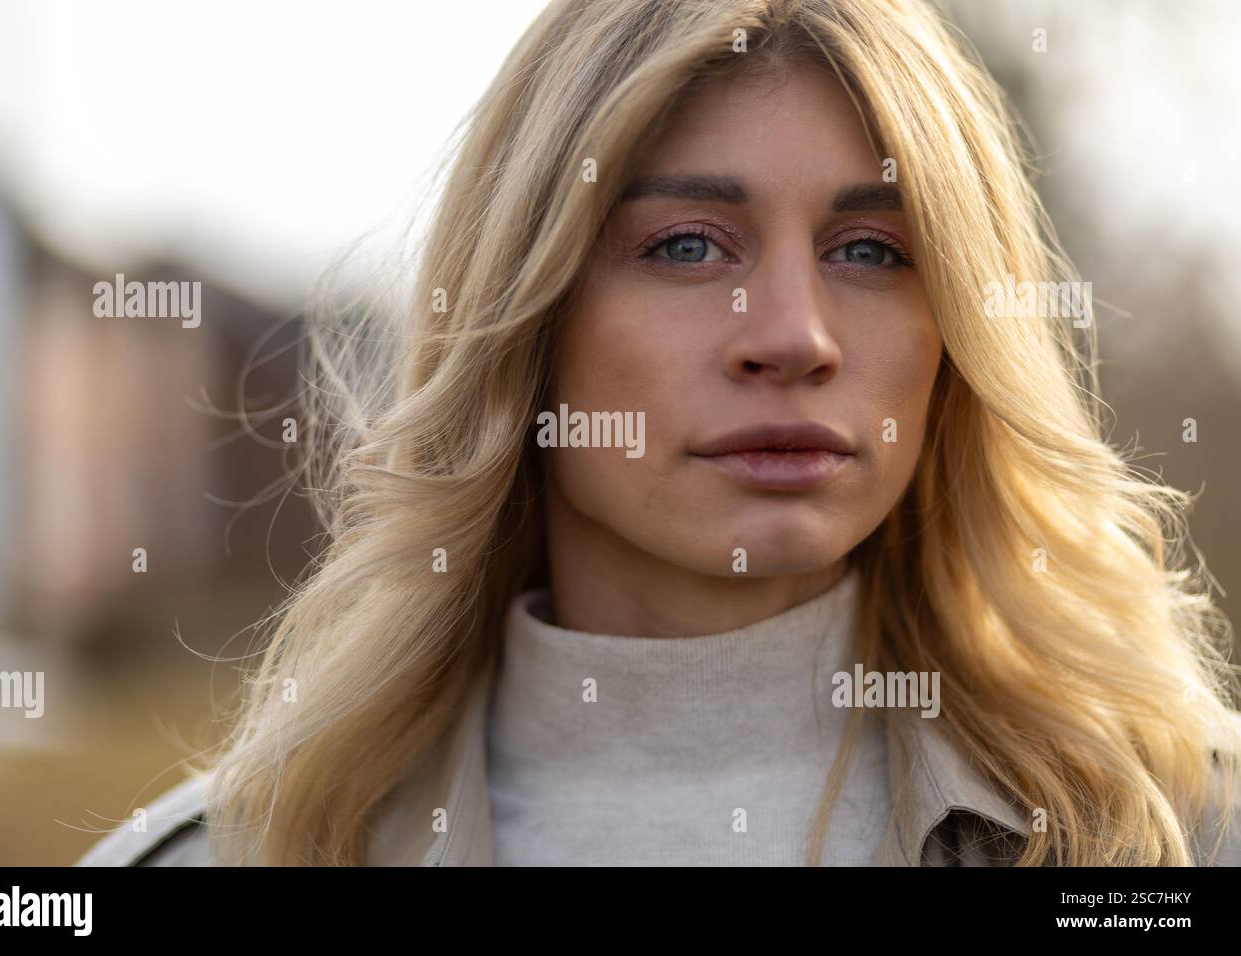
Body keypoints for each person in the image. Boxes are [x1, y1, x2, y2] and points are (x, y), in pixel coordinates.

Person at [77, 0, 1241, 867]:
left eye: (872, 252)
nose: (792, 336)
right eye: (687, 245)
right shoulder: (229, 856)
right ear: (525, 319)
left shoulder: (1165, 836)